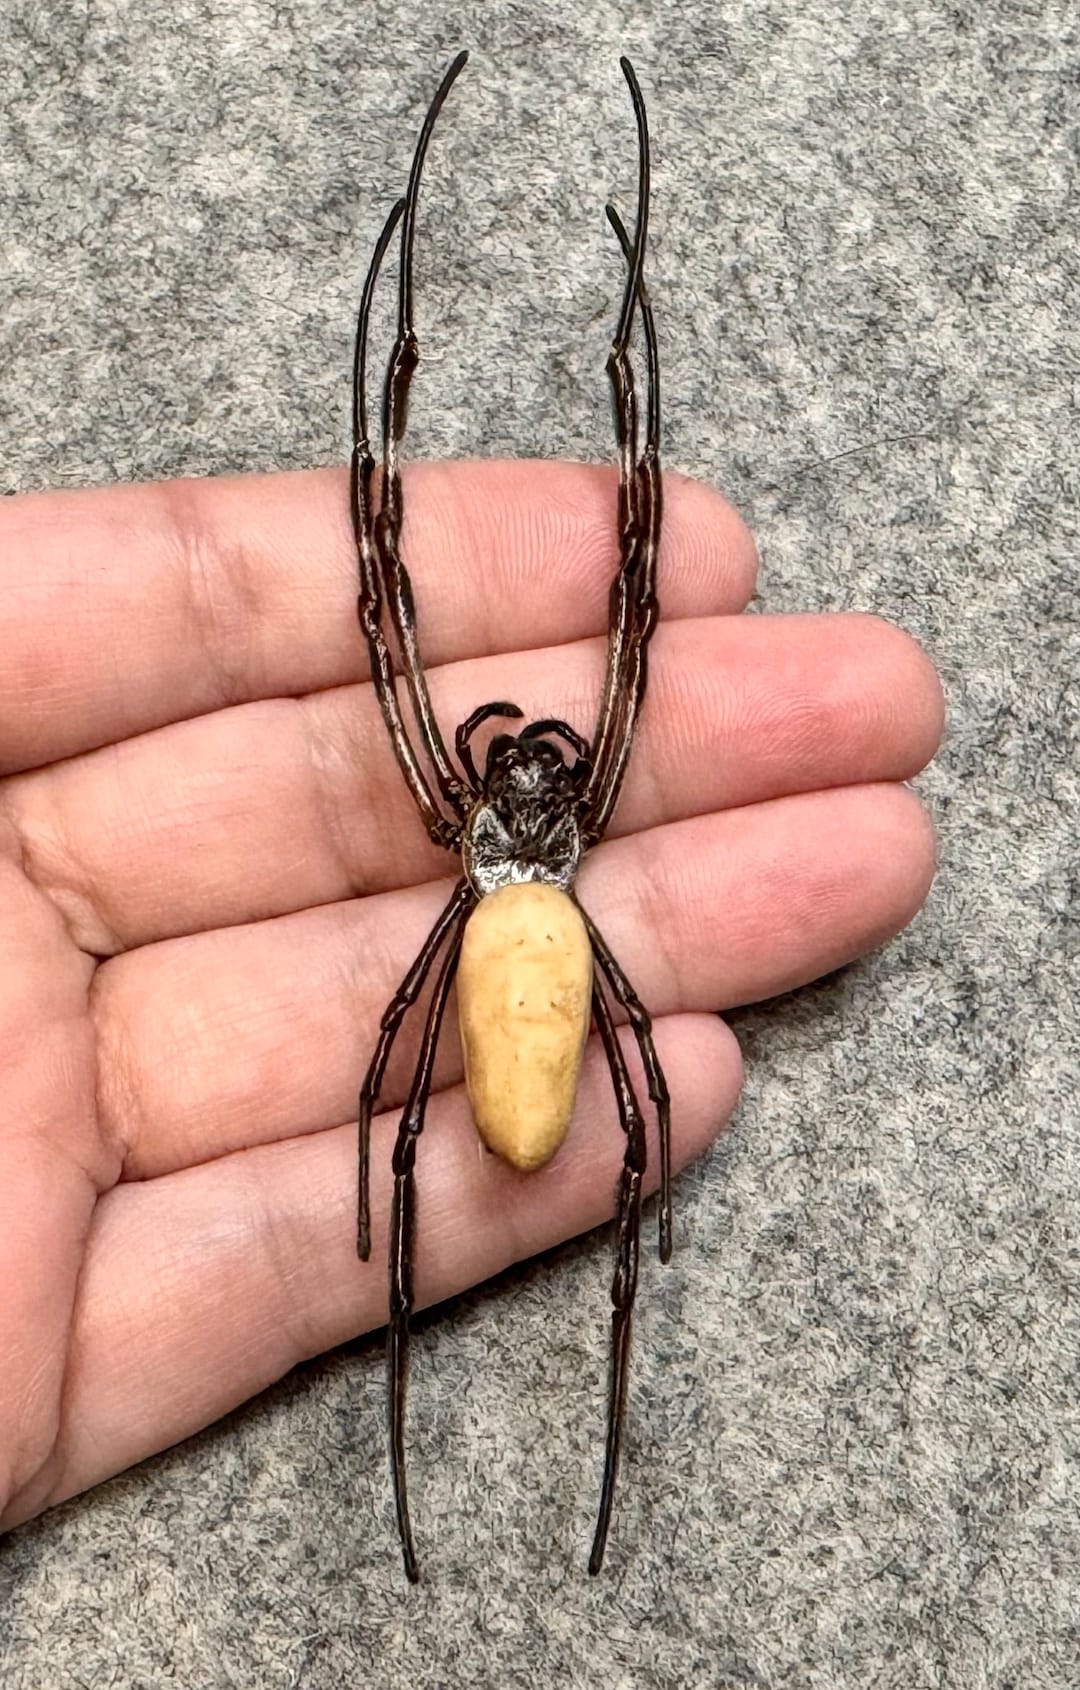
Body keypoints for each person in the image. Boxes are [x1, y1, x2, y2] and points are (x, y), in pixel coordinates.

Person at [0, 457, 942, 1532]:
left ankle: (575, 1453)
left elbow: (477, 648)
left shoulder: (474, 808)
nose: (534, 773)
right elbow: (409, 643)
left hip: (509, 929)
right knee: (570, 1104)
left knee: (598, 1104)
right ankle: (421, 1456)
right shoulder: (537, 812)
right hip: (523, 929)